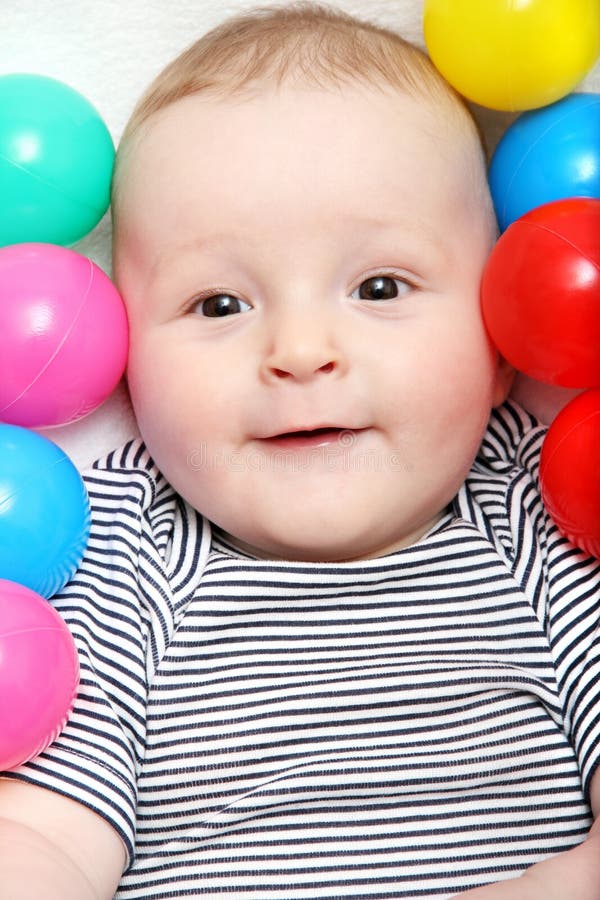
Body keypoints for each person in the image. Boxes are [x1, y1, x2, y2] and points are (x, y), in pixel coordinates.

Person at [1, 4, 599, 898]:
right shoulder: (120, 547)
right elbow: (40, 840)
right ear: (126, 360)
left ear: (504, 342)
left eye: (380, 286)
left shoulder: (548, 514)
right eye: (219, 305)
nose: (300, 349)